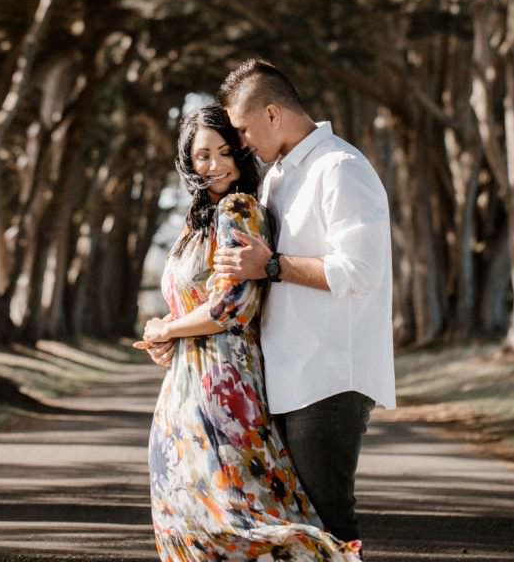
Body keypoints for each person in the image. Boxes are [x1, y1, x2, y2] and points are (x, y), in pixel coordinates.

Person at [137, 103, 361, 562]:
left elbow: (232, 306)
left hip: (226, 390)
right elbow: (187, 305)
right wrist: (164, 338)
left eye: (225, 152)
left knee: (239, 519)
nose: (215, 165)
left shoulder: (240, 209)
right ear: (187, 161)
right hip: (182, 395)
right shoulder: (194, 225)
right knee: (187, 521)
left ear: (241, 155)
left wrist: (168, 328)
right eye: (203, 155)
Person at [212, 59, 395, 547]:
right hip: (286, 375)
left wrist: (272, 265)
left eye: (244, 128)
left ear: (272, 113)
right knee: (298, 523)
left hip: (330, 376)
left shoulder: (340, 168)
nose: (241, 142)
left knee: (329, 521)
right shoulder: (278, 177)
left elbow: (361, 271)